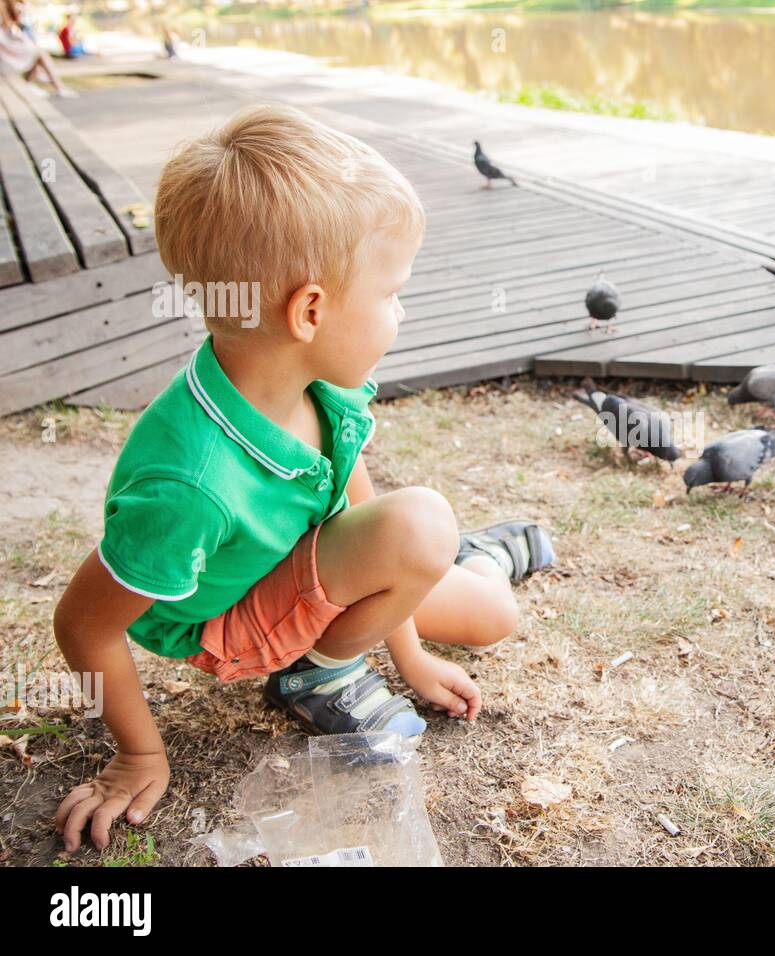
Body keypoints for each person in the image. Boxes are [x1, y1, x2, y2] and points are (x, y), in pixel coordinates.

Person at [51, 104, 556, 853]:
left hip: (308, 562)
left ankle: (469, 559)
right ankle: (316, 676)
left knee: (491, 618)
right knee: (422, 529)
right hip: (236, 622)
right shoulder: (190, 485)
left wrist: (407, 653)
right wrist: (138, 753)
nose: (402, 312)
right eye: (391, 294)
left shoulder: (313, 382)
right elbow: (84, 625)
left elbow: (355, 495)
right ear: (311, 310)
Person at [0, 0, 71, 95]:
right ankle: (56, 86)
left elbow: (10, 27)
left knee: (37, 53)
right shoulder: (4, 6)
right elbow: (8, 26)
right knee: (38, 53)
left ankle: (40, 81)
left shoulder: (6, 5)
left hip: (6, 51)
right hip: (5, 55)